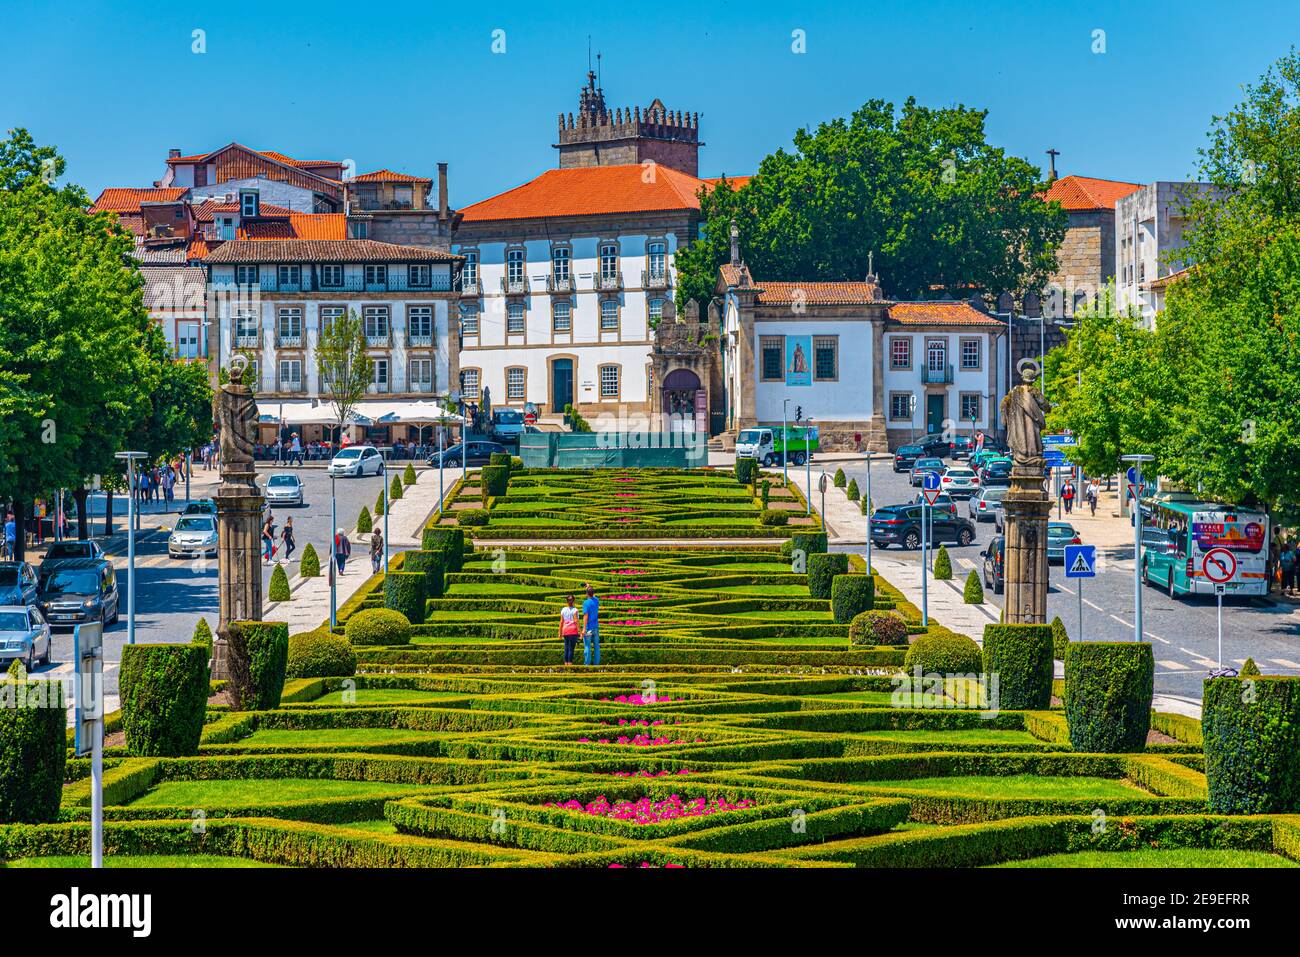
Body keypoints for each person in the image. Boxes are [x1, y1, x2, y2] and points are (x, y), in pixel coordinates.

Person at [559, 594, 581, 665]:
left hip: (565, 630)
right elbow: (576, 621)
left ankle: (566, 664)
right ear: (573, 601)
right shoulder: (575, 610)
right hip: (573, 631)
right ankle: (570, 664)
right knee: (571, 648)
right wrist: (580, 632)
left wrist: (560, 632)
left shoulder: (563, 610)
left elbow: (561, 622)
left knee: (566, 648)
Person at [581, 584, 600, 666]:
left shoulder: (586, 603)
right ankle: (596, 663)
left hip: (588, 628)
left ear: (586, 594)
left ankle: (587, 664)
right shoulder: (596, 600)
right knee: (596, 646)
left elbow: (585, 616)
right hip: (595, 627)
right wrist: (588, 587)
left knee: (587, 646)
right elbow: (593, 595)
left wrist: (584, 629)